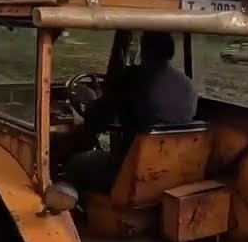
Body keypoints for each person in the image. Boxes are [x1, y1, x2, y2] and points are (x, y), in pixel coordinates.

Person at [62, 31, 198, 194]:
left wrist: (90, 104)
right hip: (173, 171)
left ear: (144, 49)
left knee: (75, 164)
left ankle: (77, 216)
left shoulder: (133, 77)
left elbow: (99, 118)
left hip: (130, 170)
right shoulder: (188, 85)